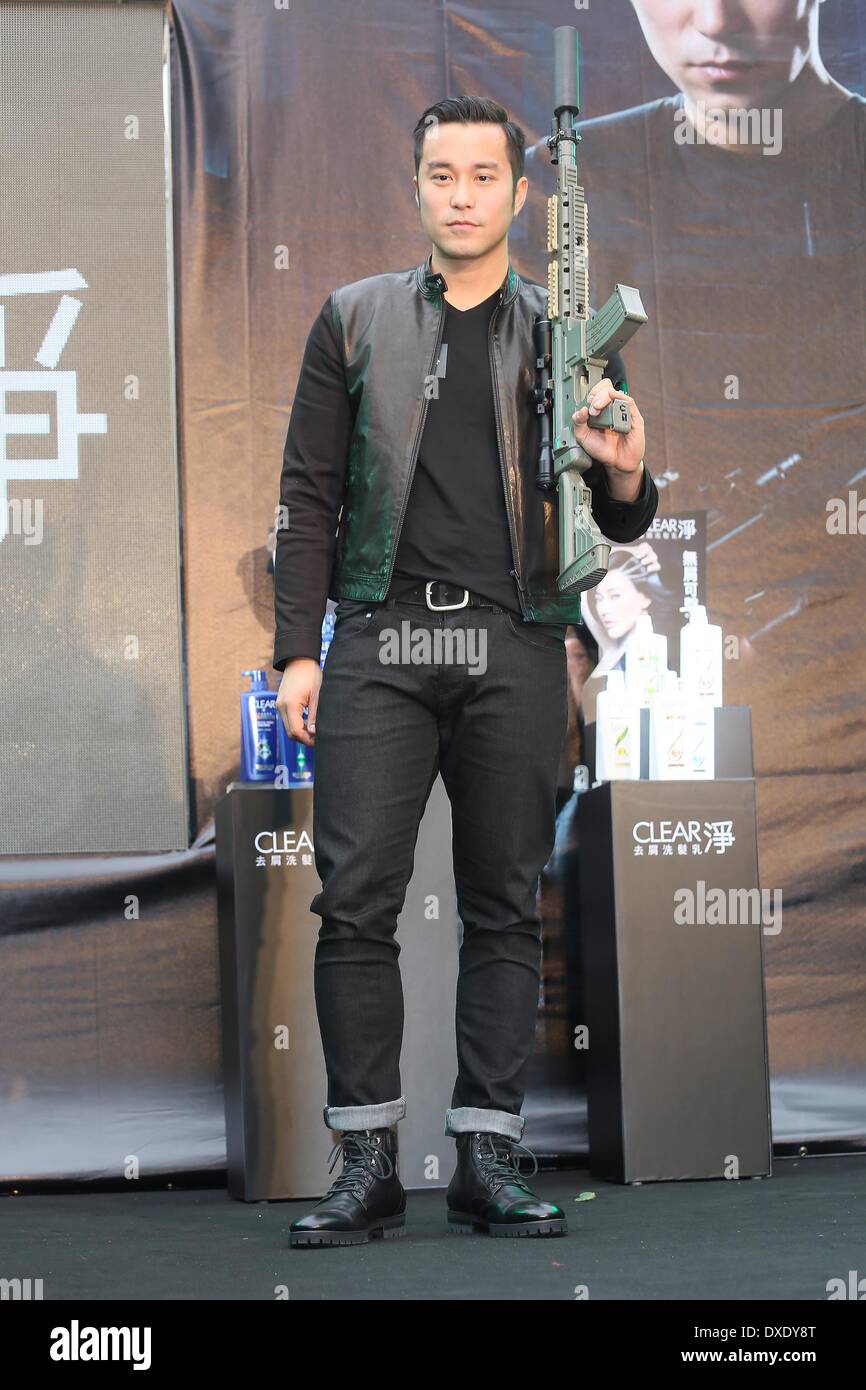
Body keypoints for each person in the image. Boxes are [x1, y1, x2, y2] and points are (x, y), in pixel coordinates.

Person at [273, 95, 659, 1247]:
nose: (459, 194)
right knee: (353, 907)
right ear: (416, 187)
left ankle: (488, 1157)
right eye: (440, 174)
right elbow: (307, 498)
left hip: (516, 637)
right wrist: (300, 647)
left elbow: (623, 512)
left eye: (481, 176)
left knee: (502, 907)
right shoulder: (352, 319)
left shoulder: (564, 335)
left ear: (517, 194)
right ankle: (366, 1166)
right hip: (383, 642)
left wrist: (628, 470)